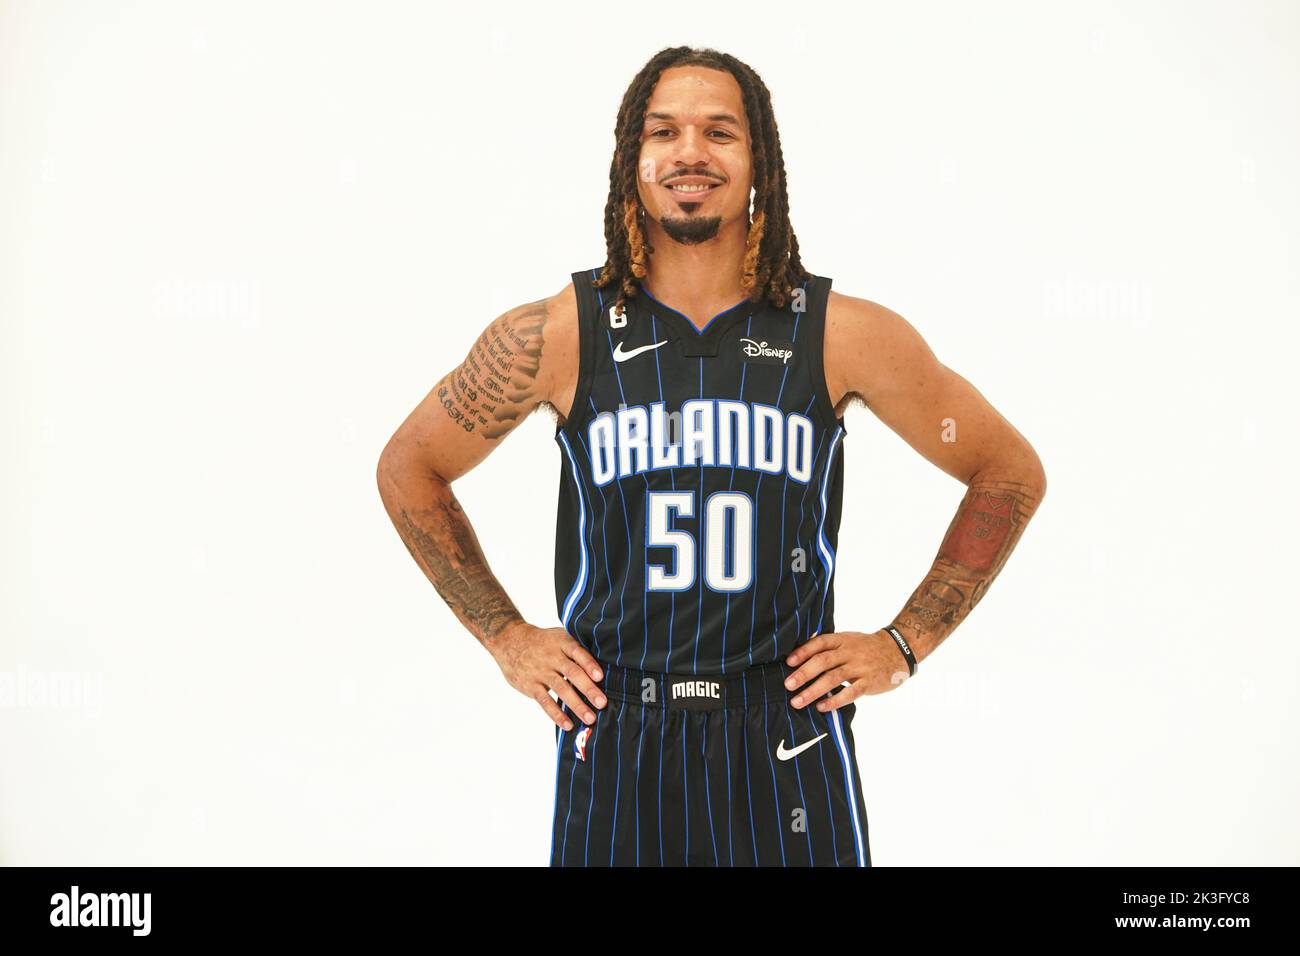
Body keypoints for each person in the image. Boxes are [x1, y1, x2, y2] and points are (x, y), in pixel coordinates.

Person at [376, 46, 1046, 867]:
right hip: (618, 726)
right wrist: (506, 637)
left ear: (757, 159)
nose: (691, 152)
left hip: (784, 728)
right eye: (665, 132)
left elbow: (1006, 470)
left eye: (719, 132)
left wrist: (903, 645)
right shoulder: (558, 332)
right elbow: (410, 467)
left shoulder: (842, 334)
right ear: (634, 160)